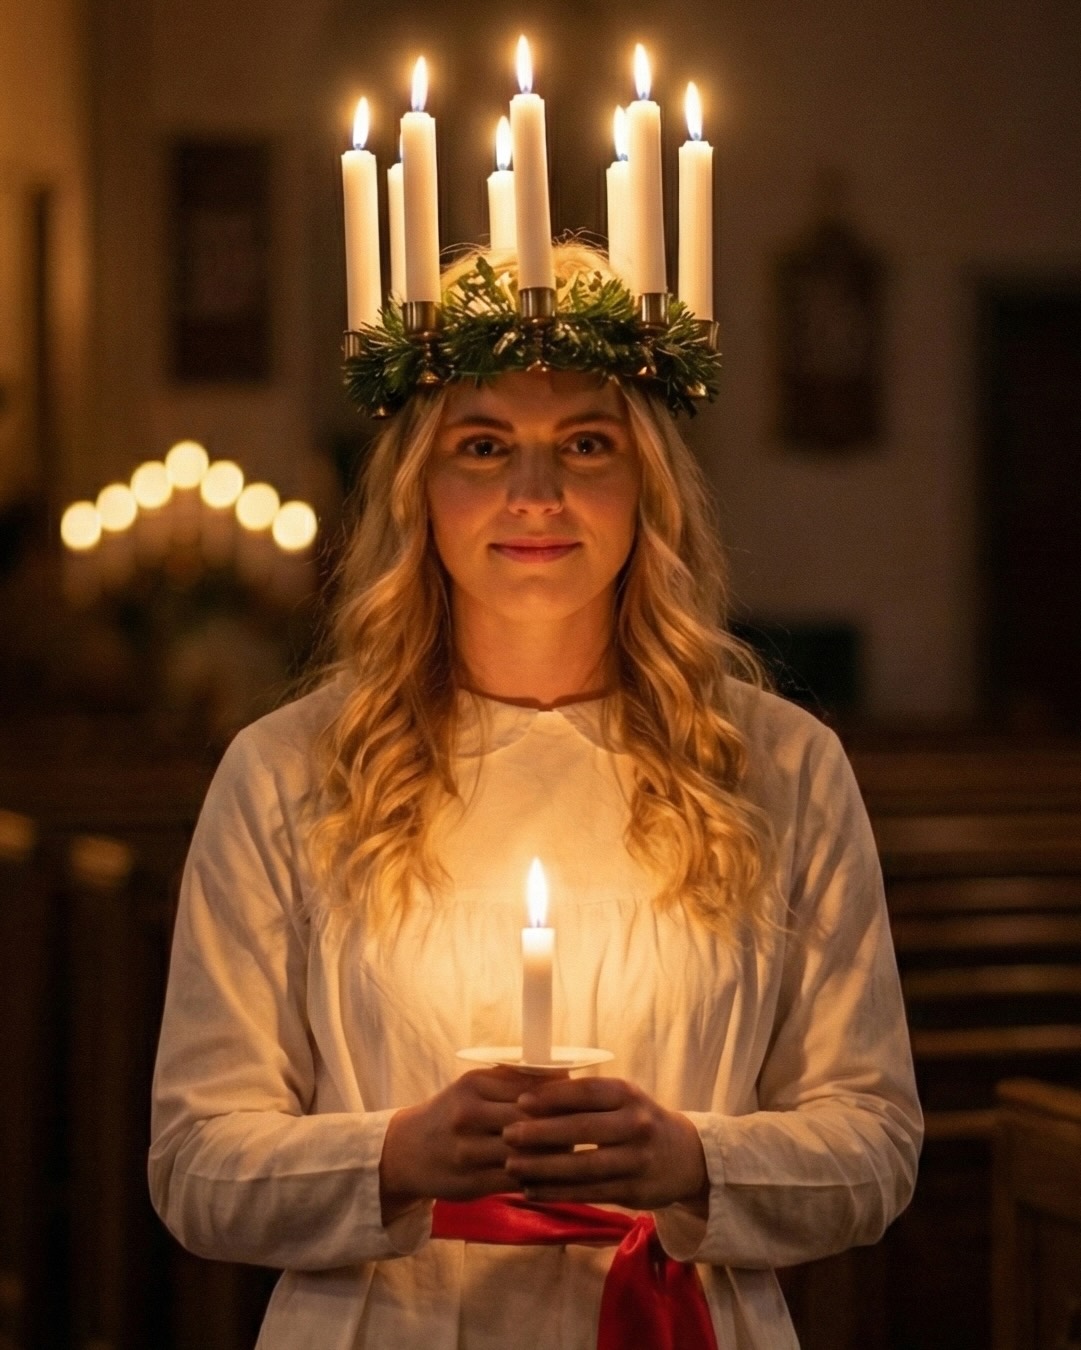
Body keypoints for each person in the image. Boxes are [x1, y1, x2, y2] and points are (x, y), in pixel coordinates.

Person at [149, 242, 922, 1349]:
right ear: (419, 485)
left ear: (647, 481)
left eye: (586, 443)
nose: (535, 494)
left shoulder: (780, 769)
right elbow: (193, 1164)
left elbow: (875, 1143)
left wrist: (692, 1160)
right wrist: (397, 1153)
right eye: (481, 445)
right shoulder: (288, 772)